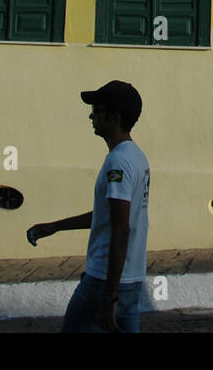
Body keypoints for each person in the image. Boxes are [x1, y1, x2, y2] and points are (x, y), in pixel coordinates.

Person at [27, 80, 150, 333]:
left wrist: (109, 297)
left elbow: (120, 229)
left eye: (97, 110)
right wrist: (55, 227)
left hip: (104, 280)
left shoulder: (118, 163)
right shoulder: (136, 157)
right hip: (132, 280)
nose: (91, 116)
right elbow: (110, 215)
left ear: (114, 118)